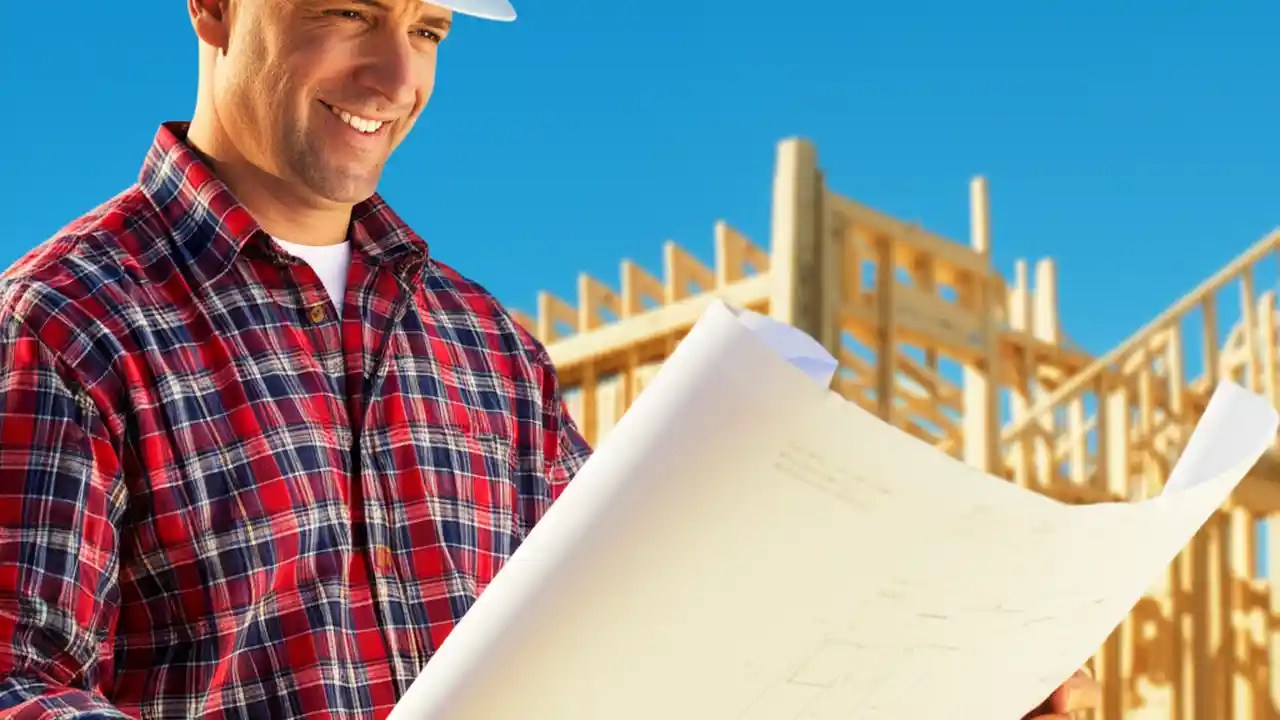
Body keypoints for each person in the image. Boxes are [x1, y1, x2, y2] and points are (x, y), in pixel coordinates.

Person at [0, 0, 1101, 717]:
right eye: (348, 12)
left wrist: (952, 685)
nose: (392, 74)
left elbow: (639, 646)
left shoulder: (485, 352)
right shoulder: (68, 324)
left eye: (427, 28)